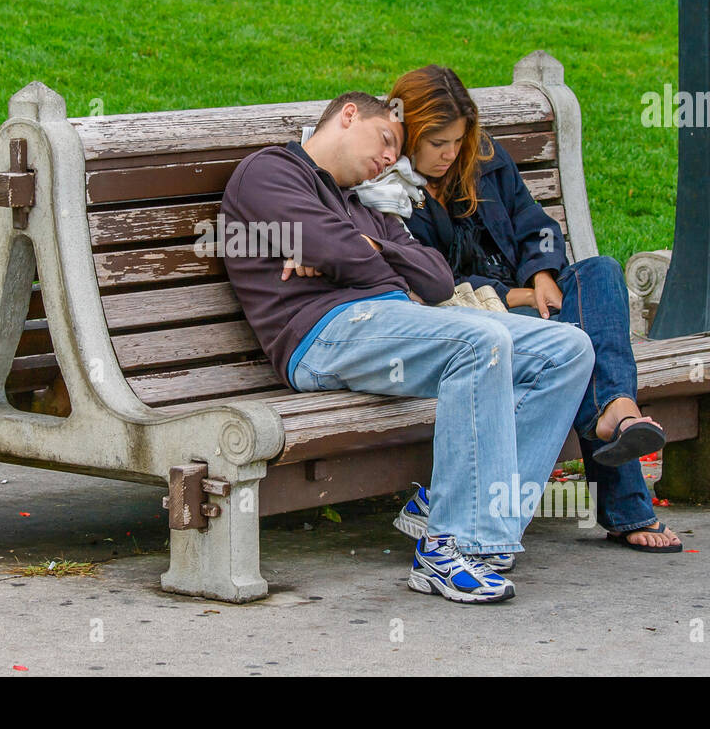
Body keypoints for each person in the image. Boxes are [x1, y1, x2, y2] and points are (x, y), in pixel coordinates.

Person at [219, 90, 595, 603]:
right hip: (321, 334)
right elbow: (344, 252)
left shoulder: (361, 203)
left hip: (394, 322)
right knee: (478, 339)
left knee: (568, 348)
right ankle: (449, 547)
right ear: (348, 116)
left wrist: (365, 248)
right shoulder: (270, 174)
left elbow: (438, 279)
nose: (388, 160)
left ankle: (480, 531)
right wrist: (357, 254)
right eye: (386, 140)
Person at [387, 64, 682, 552]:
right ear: (410, 131)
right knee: (584, 342)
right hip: (474, 319)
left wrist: (541, 273)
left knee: (602, 272)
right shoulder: (392, 189)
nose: (449, 154)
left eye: (457, 140)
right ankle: (622, 457)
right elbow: (429, 278)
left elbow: (533, 221)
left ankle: (617, 412)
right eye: (437, 142)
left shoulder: (482, 158)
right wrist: (517, 296)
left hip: (529, 299)